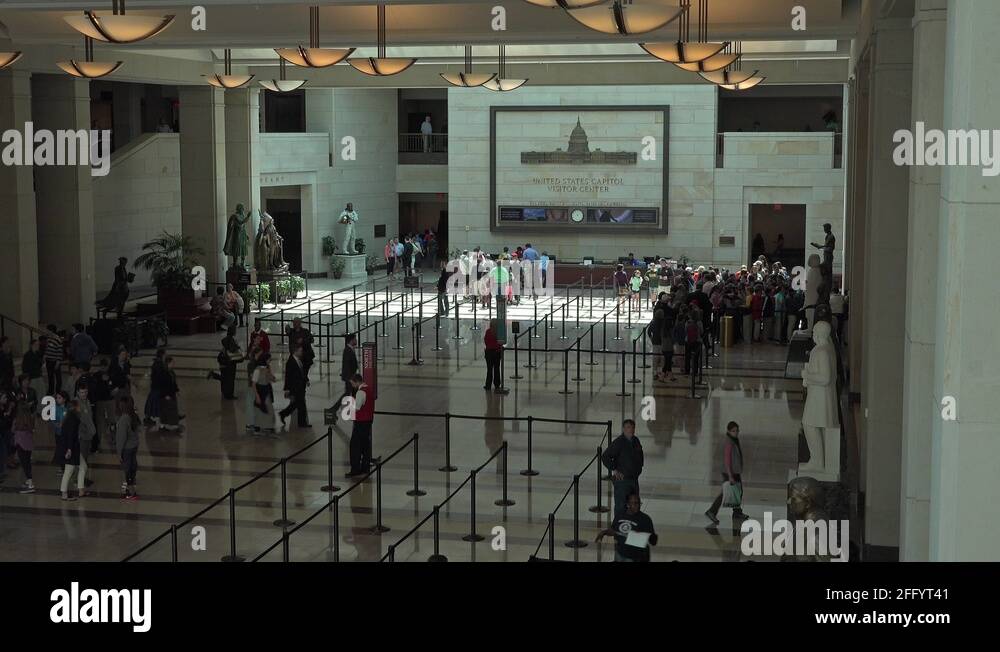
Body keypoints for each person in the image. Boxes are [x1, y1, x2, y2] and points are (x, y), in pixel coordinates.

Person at [596, 492, 658, 562]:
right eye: (633, 503)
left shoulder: (645, 519)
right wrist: (604, 532)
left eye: (638, 503)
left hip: (636, 557)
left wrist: (649, 537)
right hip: (620, 554)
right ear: (628, 504)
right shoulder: (620, 515)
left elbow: (653, 541)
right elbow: (614, 530)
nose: (637, 506)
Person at [705, 421, 747, 524]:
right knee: (726, 492)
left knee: (737, 491)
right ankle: (712, 511)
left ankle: (737, 512)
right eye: (733, 431)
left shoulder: (734, 440)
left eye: (737, 430)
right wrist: (730, 475)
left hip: (734, 471)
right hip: (730, 472)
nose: (736, 432)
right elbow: (727, 460)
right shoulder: (729, 442)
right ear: (728, 431)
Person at [601, 419, 644, 517]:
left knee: (635, 505)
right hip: (622, 481)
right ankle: (618, 527)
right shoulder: (619, 442)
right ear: (624, 429)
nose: (631, 430)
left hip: (634, 480)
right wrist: (614, 469)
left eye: (633, 427)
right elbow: (605, 457)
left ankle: (632, 526)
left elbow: (640, 456)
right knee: (621, 506)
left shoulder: (636, 441)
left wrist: (639, 468)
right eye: (628, 427)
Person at [346, 373, 374, 477]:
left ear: (357, 382)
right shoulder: (369, 389)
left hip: (361, 422)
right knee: (365, 445)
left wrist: (348, 411)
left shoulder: (360, 392)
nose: (352, 386)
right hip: (368, 421)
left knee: (355, 446)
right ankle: (365, 467)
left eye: (353, 383)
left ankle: (355, 469)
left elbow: (357, 407)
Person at [115, 395, 141, 500]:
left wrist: (119, 452)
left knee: (127, 470)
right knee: (132, 466)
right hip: (134, 446)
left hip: (127, 448)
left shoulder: (123, 419)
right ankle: (131, 488)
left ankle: (131, 493)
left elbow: (121, 438)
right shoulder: (133, 415)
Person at [279, 344, 310, 429]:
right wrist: (287, 389)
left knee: (296, 404)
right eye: (300, 351)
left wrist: (306, 380)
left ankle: (283, 413)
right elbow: (288, 376)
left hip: (300, 386)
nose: (302, 352)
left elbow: (302, 372)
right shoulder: (291, 362)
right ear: (295, 351)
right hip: (295, 387)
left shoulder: (299, 360)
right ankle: (302, 423)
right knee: (301, 404)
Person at [59, 399, 84, 501]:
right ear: (75, 407)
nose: (80, 407)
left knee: (83, 467)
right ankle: (64, 493)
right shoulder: (72, 419)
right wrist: (69, 449)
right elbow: (70, 435)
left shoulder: (69, 417)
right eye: (79, 406)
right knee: (69, 470)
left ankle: (81, 489)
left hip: (73, 447)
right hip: (71, 448)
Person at [208, 327, 242, 399]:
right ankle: (229, 395)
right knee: (229, 379)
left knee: (224, 377)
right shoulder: (232, 340)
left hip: (223, 360)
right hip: (229, 362)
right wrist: (238, 347)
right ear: (233, 332)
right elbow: (233, 350)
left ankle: (224, 392)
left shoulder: (225, 339)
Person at [334, 333, 359, 424]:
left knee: (351, 394)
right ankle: (334, 410)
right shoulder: (348, 350)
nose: (356, 341)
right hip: (350, 378)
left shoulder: (350, 349)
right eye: (355, 339)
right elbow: (347, 366)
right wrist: (350, 379)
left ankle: (353, 413)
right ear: (351, 340)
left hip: (351, 377)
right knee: (347, 394)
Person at [75, 385, 96, 488]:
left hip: (88, 434)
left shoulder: (87, 402)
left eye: (86, 392)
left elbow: (90, 418)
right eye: (82, 392)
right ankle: (78, 480)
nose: (84, 394)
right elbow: (82, 420)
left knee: (85, 456)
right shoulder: (76, 404)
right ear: (78, 392)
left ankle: (82, 478)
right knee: (81, 458)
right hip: (82, 435)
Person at [251, 353, 276, 436]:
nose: (270, 361)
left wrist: (271, 376)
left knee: (269, 409)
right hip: (261, 391)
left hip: (267, 390)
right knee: (260, 410)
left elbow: (271, 379)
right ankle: (258, 428)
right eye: (269, 359)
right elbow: (253, 384)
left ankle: (268, 426)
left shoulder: (267, 368)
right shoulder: (257, 370)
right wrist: (257, 396)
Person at [13, 405, 36, 494]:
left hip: (20, 445)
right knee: (27, 463)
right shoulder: (30, 420)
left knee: (24, 464)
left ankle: (30, 484)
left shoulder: (17, 421)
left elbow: (12, 430)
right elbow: (32, 430)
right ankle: (28, 481)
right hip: (29, 445)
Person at [157, 357, 181, 433]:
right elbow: (161, 385)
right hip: (165, 395)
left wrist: (176, 390)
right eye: (172, 363)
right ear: (168, 363)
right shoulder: (163, 373)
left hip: (171, 393)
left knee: (171, 410)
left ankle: (171, 426)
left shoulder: (171, 372)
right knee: (167, 410)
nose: (174, 364)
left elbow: (173, 383)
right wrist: (165, 395)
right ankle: (169, 426)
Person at [21, 339, 45, 408]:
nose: (38, 346)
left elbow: (40, 364)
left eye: (38, 345)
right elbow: (24, 368)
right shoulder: (27, 355)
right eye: (36, 344)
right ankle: (34, 409)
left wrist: (42, 362)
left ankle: (41, 409)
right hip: (32, 377)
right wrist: (27, 379)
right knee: (33, 395)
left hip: (39, 375)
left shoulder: (38, 353)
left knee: (41, 393)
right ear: (32, 345)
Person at [483, 320, 504, 393]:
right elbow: (501, 343)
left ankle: (488, 385)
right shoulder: (499, 332)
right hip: (497, 352)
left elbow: (485, 340)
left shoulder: (488, 331)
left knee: (489, 369)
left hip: (489, 352)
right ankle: (497, 385)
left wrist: (489, 346)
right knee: (497, 369)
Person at [43, 325, 63, 396]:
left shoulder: (58, 339)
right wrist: (45, 356)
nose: (46, 331)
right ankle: (50, 391)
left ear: (51, 330)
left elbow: (60, 351)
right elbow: (47, 349)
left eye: (47, 330)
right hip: (49, 360)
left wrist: (58, 362)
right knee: (50, 377)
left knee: (58, 377)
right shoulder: (48, 338)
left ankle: (58, 391)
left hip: (55, 361)